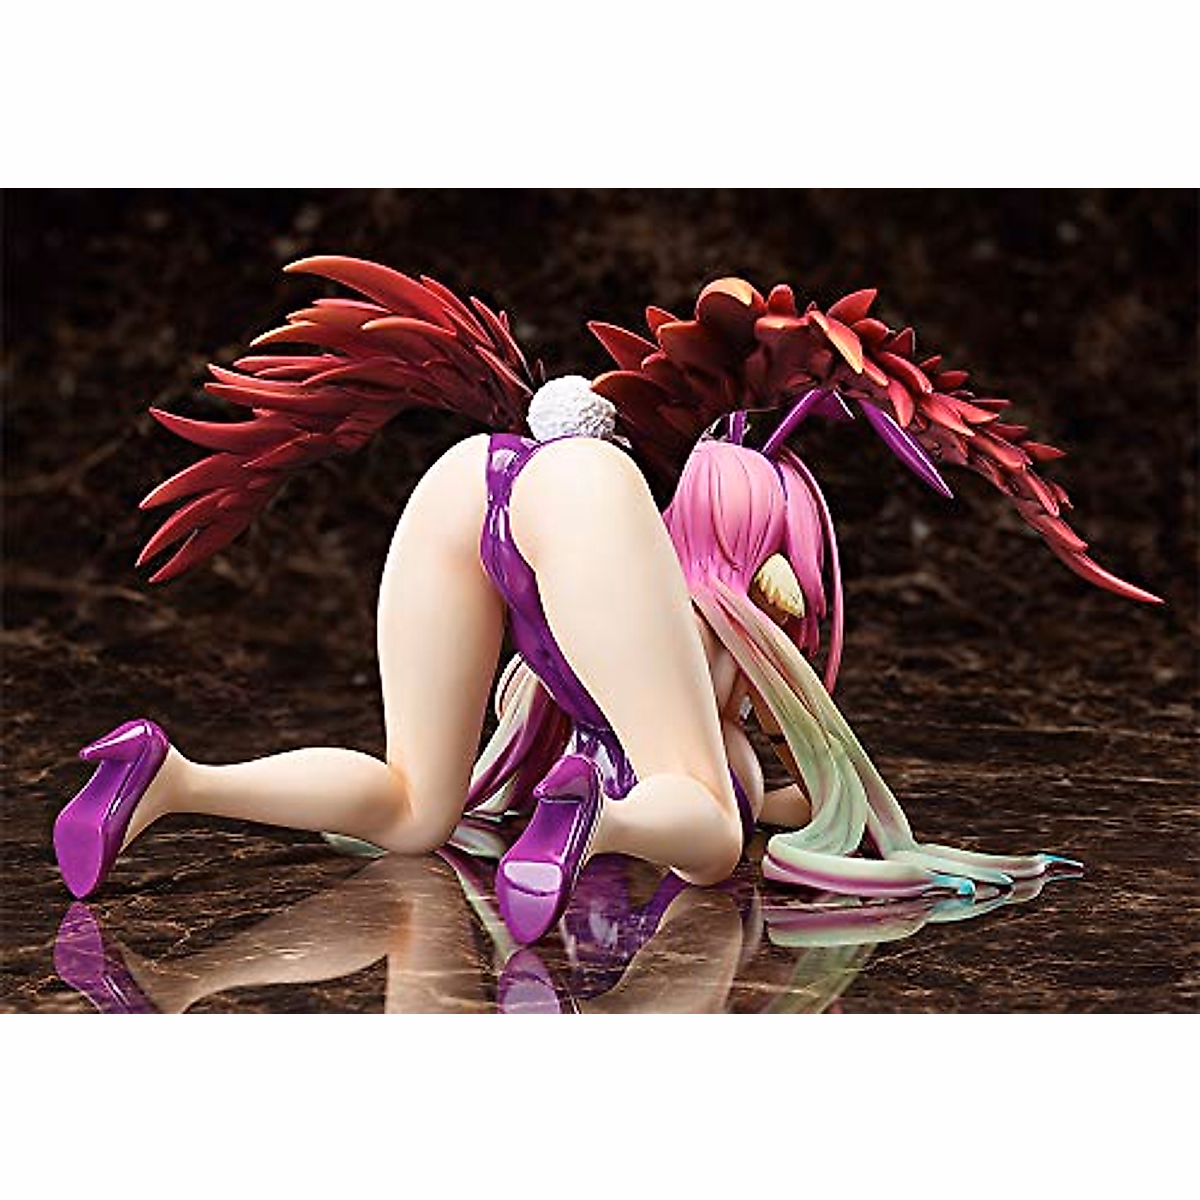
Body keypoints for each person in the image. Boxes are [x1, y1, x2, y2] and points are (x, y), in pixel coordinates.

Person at [52, 258, 1159, 944]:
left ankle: (173, 779)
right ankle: (600, 823)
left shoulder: (639, 670)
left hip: (471, 476)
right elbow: (753, 805)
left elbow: (772, 787)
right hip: (581, 490)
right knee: (709, 834)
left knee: (412, 806)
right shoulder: (710, 624)